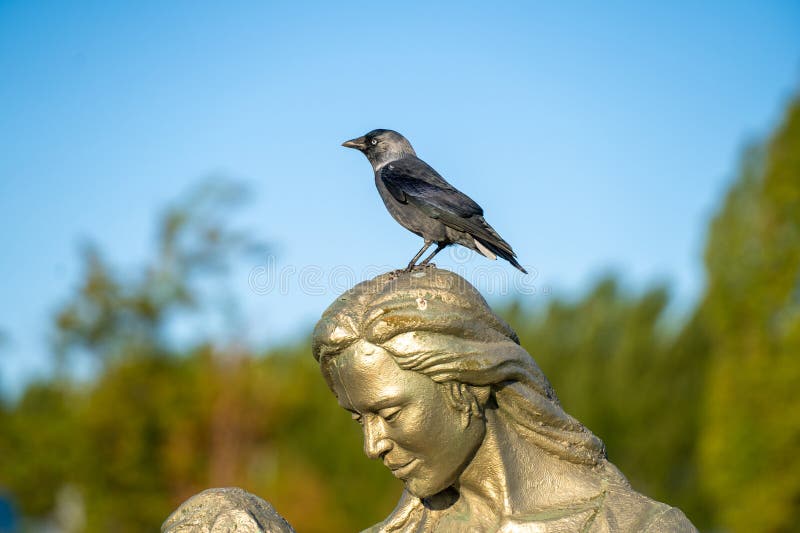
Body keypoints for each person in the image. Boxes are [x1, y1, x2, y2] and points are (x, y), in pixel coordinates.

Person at [312, 267, 697, 532]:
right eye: (360, 420)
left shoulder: (635, 526)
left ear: (471, 380)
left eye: (390, 413)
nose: (372, 446)